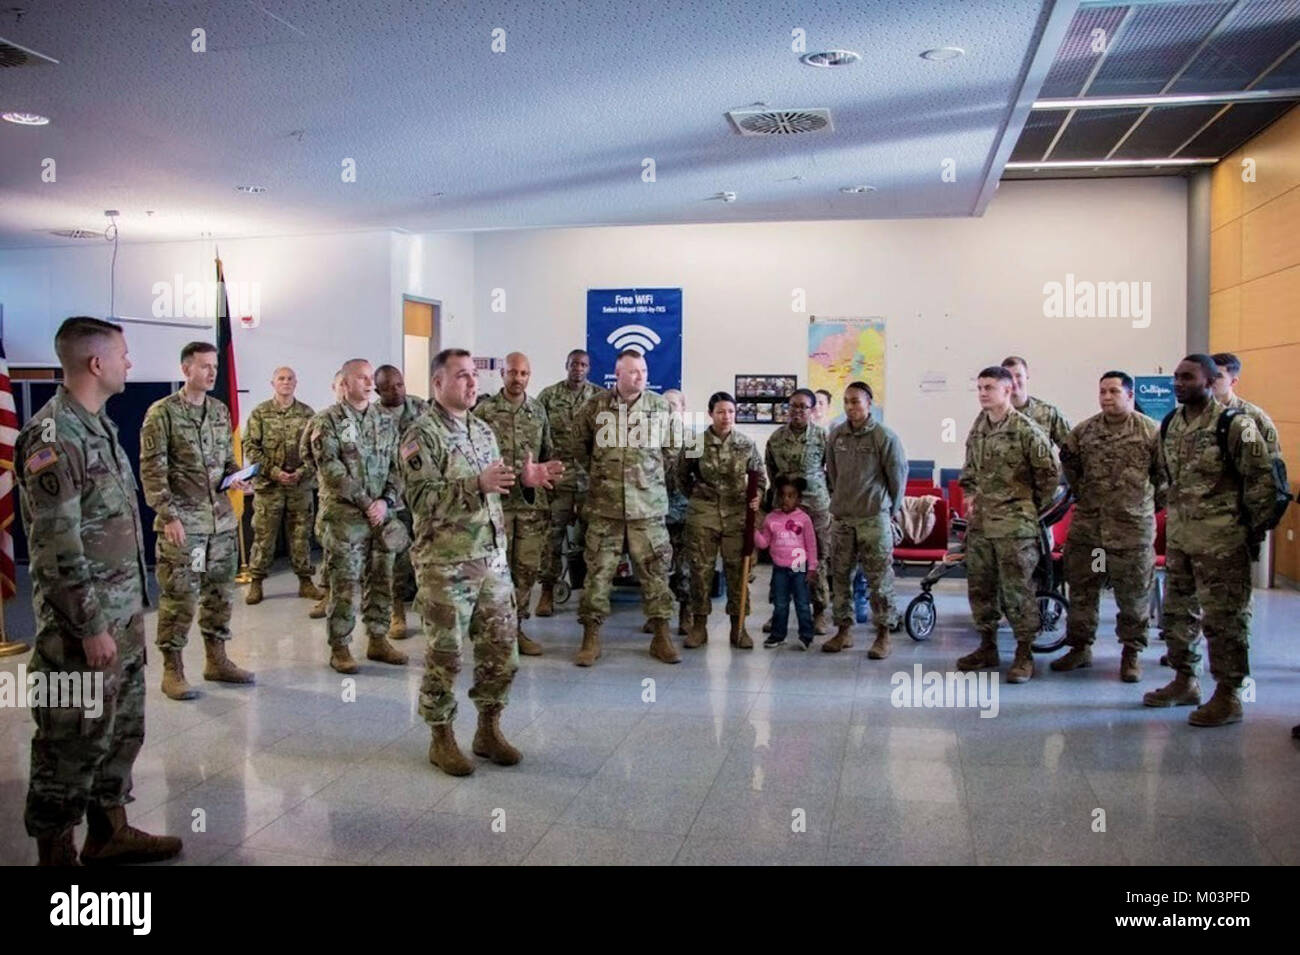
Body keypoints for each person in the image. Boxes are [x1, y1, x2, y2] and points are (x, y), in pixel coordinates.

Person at [16, 317, 182, 866]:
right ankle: (56, 852)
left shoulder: (97, 425)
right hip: (81, 630)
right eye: (124, 354)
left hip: (121, 618)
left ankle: (110, 832)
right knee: (70, 742)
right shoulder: (54, 438)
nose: (129, 363)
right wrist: (89, 628)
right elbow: (55, 549)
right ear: (96, 364)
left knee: (120, 731)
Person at [399, 348, 561, 776]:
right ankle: (441, 737)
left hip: (492, 560)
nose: (473, 383)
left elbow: (496, 485)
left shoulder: (483, 430)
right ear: (438, 384)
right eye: (462, 377)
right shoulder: (421, 434)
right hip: (445, 565)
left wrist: (524, 480)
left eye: (474, 376)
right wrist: (475, 483)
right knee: (446, 656)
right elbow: (418, 498)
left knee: (501, 654)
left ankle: (488, 730)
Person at [1143, 354, 1276, 726]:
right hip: (1183, 540)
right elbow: (1165, 476)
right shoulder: (1172, 423)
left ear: (1209, 380)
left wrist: (1247, 533)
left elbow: (1263, 483)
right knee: (1177, 614)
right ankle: (1185, 681)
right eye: (1176, 377)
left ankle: (1229, 695)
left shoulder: (1236, 424)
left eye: (1188, 377)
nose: (1178, 384)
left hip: (1223, 542)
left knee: (1224, 620)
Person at [140, 342, 255, 700]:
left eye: (214, 366)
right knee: (181, 597)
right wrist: (168, 516)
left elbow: (226, 462)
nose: (211, 372)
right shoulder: (162, 414)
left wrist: (237, 477)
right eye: (204, 366)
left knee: (220, 594)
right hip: (185, 529)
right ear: (185, 369)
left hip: (220, 523)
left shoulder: (219, 411)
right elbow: (153, 471)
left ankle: (216, 659)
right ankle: (173, 669)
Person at [1051, 371, 1166, 682]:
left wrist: (1142, 506)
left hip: (1130, 532)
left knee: (1133, 594)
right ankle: (1080, 648)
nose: (1106, 397)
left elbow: (1163, 478)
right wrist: (1089, 496)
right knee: (1084, 589)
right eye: (1102, 391)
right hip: (1092, 533)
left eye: (1114, 391)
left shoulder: (1150, 432)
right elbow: (1070, 467)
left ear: (1129, 395)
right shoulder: (1084, 432)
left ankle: (1131, 654)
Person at [573, 349, 682, 665]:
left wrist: (645, 474)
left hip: (646, 509)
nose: (641, 376)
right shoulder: (595, 406)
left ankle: (661, 637)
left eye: (644, 371)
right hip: (605, 509)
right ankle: (590, 638)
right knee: (597, 574)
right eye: (633, 371)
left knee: (656, 574)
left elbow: (672, 449)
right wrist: (602, 476)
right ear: (617, 374)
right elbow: (578, 447)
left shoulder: (660, 407)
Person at [955, 366, 1060, 683]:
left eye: (989, 387)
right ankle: (987, 647)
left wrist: (1027, 507)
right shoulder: (980, 427)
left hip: (1015, 529)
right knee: (981, 589)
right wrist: (971, 495)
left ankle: (1024, 654)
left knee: (1018, 592)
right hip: (983, 526)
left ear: (1008, 389)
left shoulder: (1026, 430)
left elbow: (1049, 475)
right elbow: (969, 469)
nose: (983, 393)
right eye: (980, 387)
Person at [310, 358, 407, 674]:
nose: (369, 383)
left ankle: (378, 639)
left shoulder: (384, 419)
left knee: (382, 578)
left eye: (370, 378)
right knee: (345, 583)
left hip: (380, 514)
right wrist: (367, 502)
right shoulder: (327, 421)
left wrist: (386, 500)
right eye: (362, 378)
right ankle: (340, 646)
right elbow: (332, 470)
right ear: (346, 382)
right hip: (345, 518)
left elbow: (398, 465)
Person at [472, 352, 555, 655]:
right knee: (494, 572)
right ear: (502, 374)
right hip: (497, 507)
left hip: (532, 507)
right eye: (512, 373)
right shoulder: (484, 412)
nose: (517, 379)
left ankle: (515, 629)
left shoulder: (538, 411)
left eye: (524, 374)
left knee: (525, 571)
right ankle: (493, 632)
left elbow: (546, 454)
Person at [823, 381, 907, 657]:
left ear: (869, 404)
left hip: (873, 518)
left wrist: (887, 510)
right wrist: (843, 501)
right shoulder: (837, 436)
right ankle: (844, 631)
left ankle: (883, 634)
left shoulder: (884, 437)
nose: (850, 407)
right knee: (840, 577)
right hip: (843, 518)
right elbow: (833, 476)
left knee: (879, 579)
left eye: (856, 401)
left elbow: (897, 480)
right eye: (846, 401)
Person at [680, 391, 766, 649]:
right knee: (700, 571)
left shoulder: (745, 443)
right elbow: (681, 476)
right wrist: (698, 497)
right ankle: (699, 626)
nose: (726, 416)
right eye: (720, 412)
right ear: (710, 414)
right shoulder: (695, 442)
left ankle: (738, 627)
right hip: (703, 516)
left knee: (738, 572)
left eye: (730, 411)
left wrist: (758, 496)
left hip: (736, 516)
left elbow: (759, 478)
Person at [243, 366, 324, 605]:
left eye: (290, 379)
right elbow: (251, 448)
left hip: (300, 487)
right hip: (269, 486)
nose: (286, 382)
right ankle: (256, 582)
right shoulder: (260, 413)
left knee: (301, 536)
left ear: (296, 383)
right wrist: (275, 472)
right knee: (264, 536)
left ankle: (305, 582)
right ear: (273, 383)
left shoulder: (308, 414)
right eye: (281, 379)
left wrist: (301, 472)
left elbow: (316, 450)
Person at [535, 349, 603, 616]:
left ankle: (590, 594)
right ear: (566, 365)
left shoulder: (600, 398)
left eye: (584, 364)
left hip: (590, 482)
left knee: (593, 540)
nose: (578, 369)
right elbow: (539, 436)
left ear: (589, 368)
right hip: (558, 479)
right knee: (551, 538)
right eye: (574, 364)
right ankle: (547, 592)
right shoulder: (549, 396)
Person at [764, 387, 831, 634]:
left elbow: (831, 473)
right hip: (785, 510)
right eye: (793, 406)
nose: (797, 411)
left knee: (817, 561)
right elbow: (772, 472)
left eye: (803, 406)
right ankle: (778, 613)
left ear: (812, 411)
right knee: (782, 561)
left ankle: (820, 612)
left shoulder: (823, 437)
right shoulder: (776, 438)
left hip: (815, 508)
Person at [374, 364, 428, 641]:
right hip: (390, 498)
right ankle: (397, 612)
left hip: (420, 494)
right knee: (394, 557)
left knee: (424, 552)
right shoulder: (371, 416)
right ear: (378, 390)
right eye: (389, 387)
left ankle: (430, 611)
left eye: (400, 384)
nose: (397, 391)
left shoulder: (419, 408)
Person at [648, 388, 692, 636]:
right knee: (656, 567)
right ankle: (657, 615)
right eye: (664, 405)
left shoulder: (693, 438)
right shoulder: (649, 437)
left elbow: (699, 475)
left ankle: (685, 612)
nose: (669, 409)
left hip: (684, 513)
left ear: (683, 408)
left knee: (685, 567)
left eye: (674, 404)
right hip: (657, 512)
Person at [756, 476, 819, 650]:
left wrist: (812, 567)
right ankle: (778, 634)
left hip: (799, 566)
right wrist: (753, 531)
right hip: (780, 568)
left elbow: (811, 544)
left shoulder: (804, 519)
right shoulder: (771, 519)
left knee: (802, 603)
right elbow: (763, 543)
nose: (786, 499)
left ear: (798, 499)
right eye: (782, 495)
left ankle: (806, 635)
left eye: (791, 496)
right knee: (780, 604)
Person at [302, 371, 346, 619]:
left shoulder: (356, 420)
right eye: (340, 385)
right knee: (331, 552)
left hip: (362, 500)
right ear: (334, 387)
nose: (344, 389)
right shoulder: (323, 419)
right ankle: (327, 596)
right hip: (334, 500)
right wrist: (322, 477)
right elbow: (306, 453)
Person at [1212, 352, 1282, 457]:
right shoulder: (1195, 412)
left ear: (1233, 382)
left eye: (1218, 376)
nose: (1211, 380)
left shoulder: (1253, 416)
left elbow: (1272, 460)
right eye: (1208, 375)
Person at [1001, 356, 1071, 449]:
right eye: (1009, 377)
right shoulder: (993, 416)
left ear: (1027, 376)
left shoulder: (1048, 413)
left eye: (1018, 376)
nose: (1014, 381)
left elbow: (1070, 452)